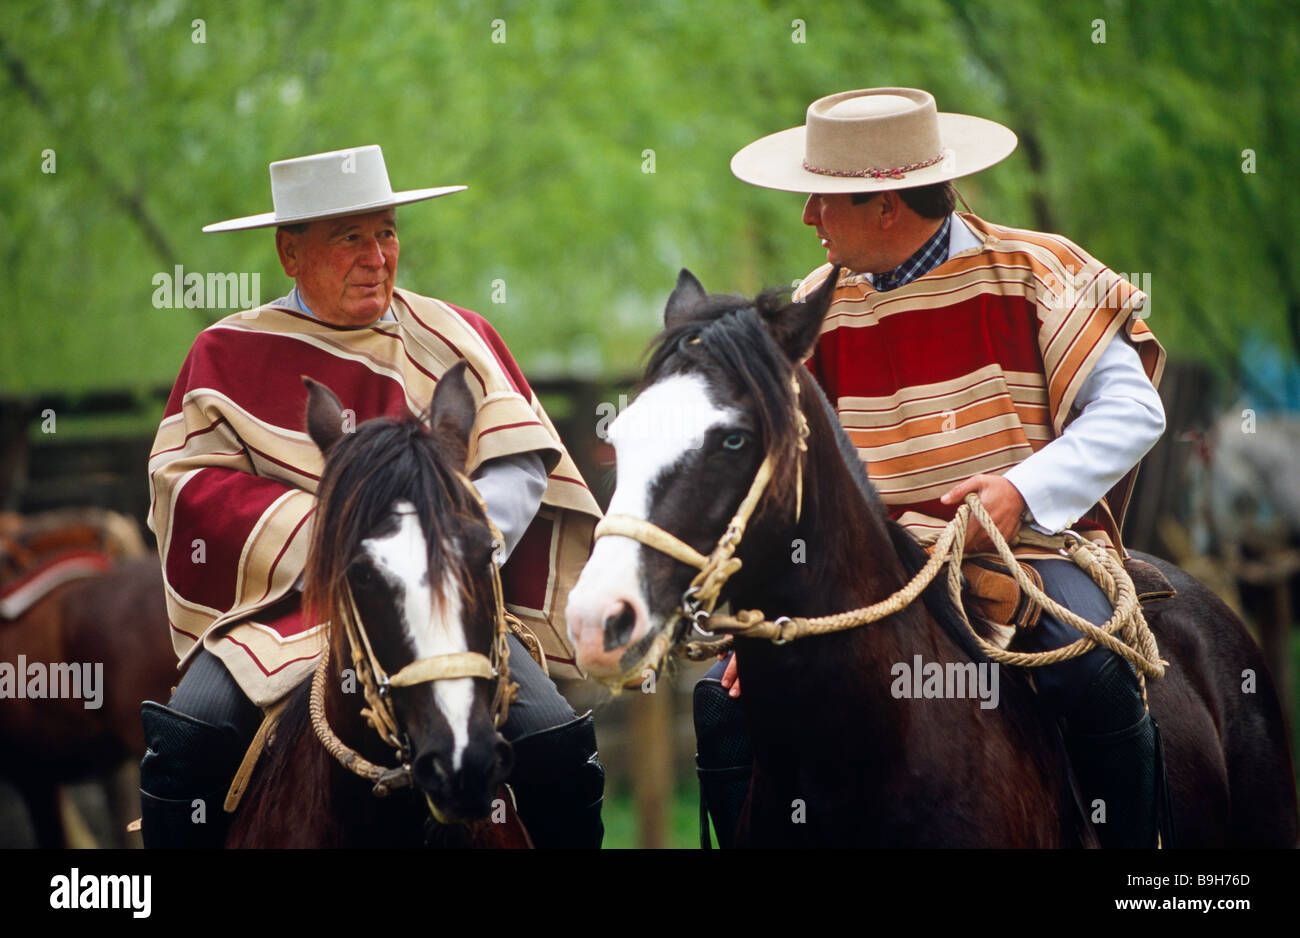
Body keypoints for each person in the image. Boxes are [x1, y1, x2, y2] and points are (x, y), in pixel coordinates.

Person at [697, 88, 1168, 848]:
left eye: (825, 198)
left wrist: (1021, 491)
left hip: (1031, 554)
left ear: (886, 206)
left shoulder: (1041, 270)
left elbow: (1135, 412)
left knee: (1093, 677)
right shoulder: (808, 309)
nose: (809, 216)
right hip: (861, 586)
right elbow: (776, 485)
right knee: (723, 707)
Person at [142, 145, 605, 848]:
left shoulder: (455, 336)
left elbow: (521, 461)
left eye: (386, 232)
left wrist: (442, 546)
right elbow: (190, 484)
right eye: (348, 238)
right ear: (289, 252)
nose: (377, 256)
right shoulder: (223, 353)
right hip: (281, 611)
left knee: (558, 748)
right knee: (187, 744)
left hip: (436, 602)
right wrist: (336, 535)